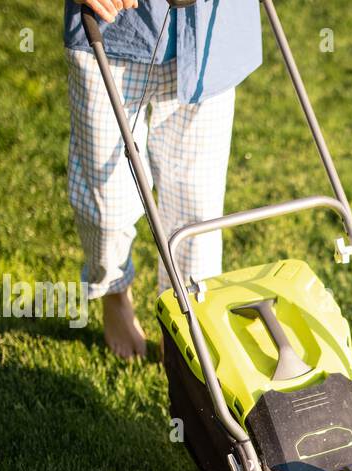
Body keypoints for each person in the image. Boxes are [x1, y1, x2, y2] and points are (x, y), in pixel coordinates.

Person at [63, 0, 262, 359]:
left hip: (211, 37)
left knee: (196, 210)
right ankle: (114, 291)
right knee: (104, 205)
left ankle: (183, 318)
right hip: (111, 30)